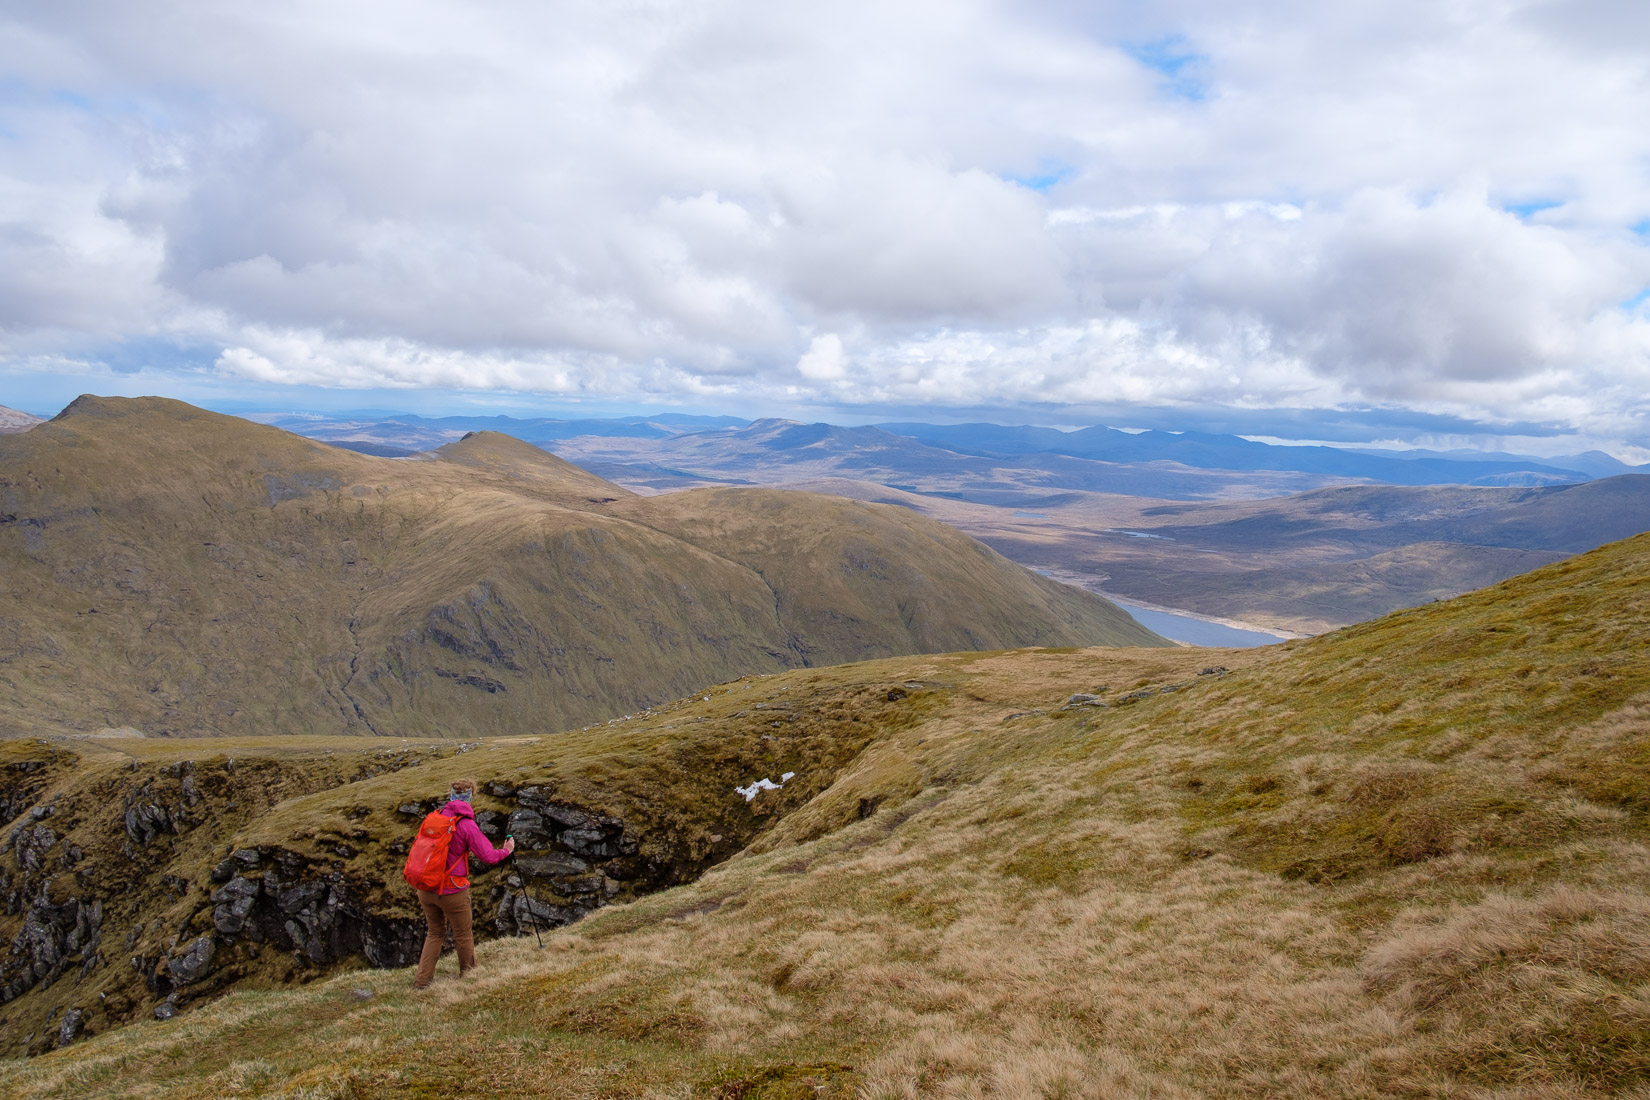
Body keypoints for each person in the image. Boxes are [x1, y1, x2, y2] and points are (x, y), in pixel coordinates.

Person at [413, 777, 514, 989]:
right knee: (463, 934)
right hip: (452, 890)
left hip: (425, 886)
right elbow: (487, 855)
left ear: (450, 795)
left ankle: (422, 982)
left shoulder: (434, 818)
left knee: (435, 933)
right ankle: (469, 977)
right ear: (471, 797)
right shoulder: (466, 825)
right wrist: (506, 850)